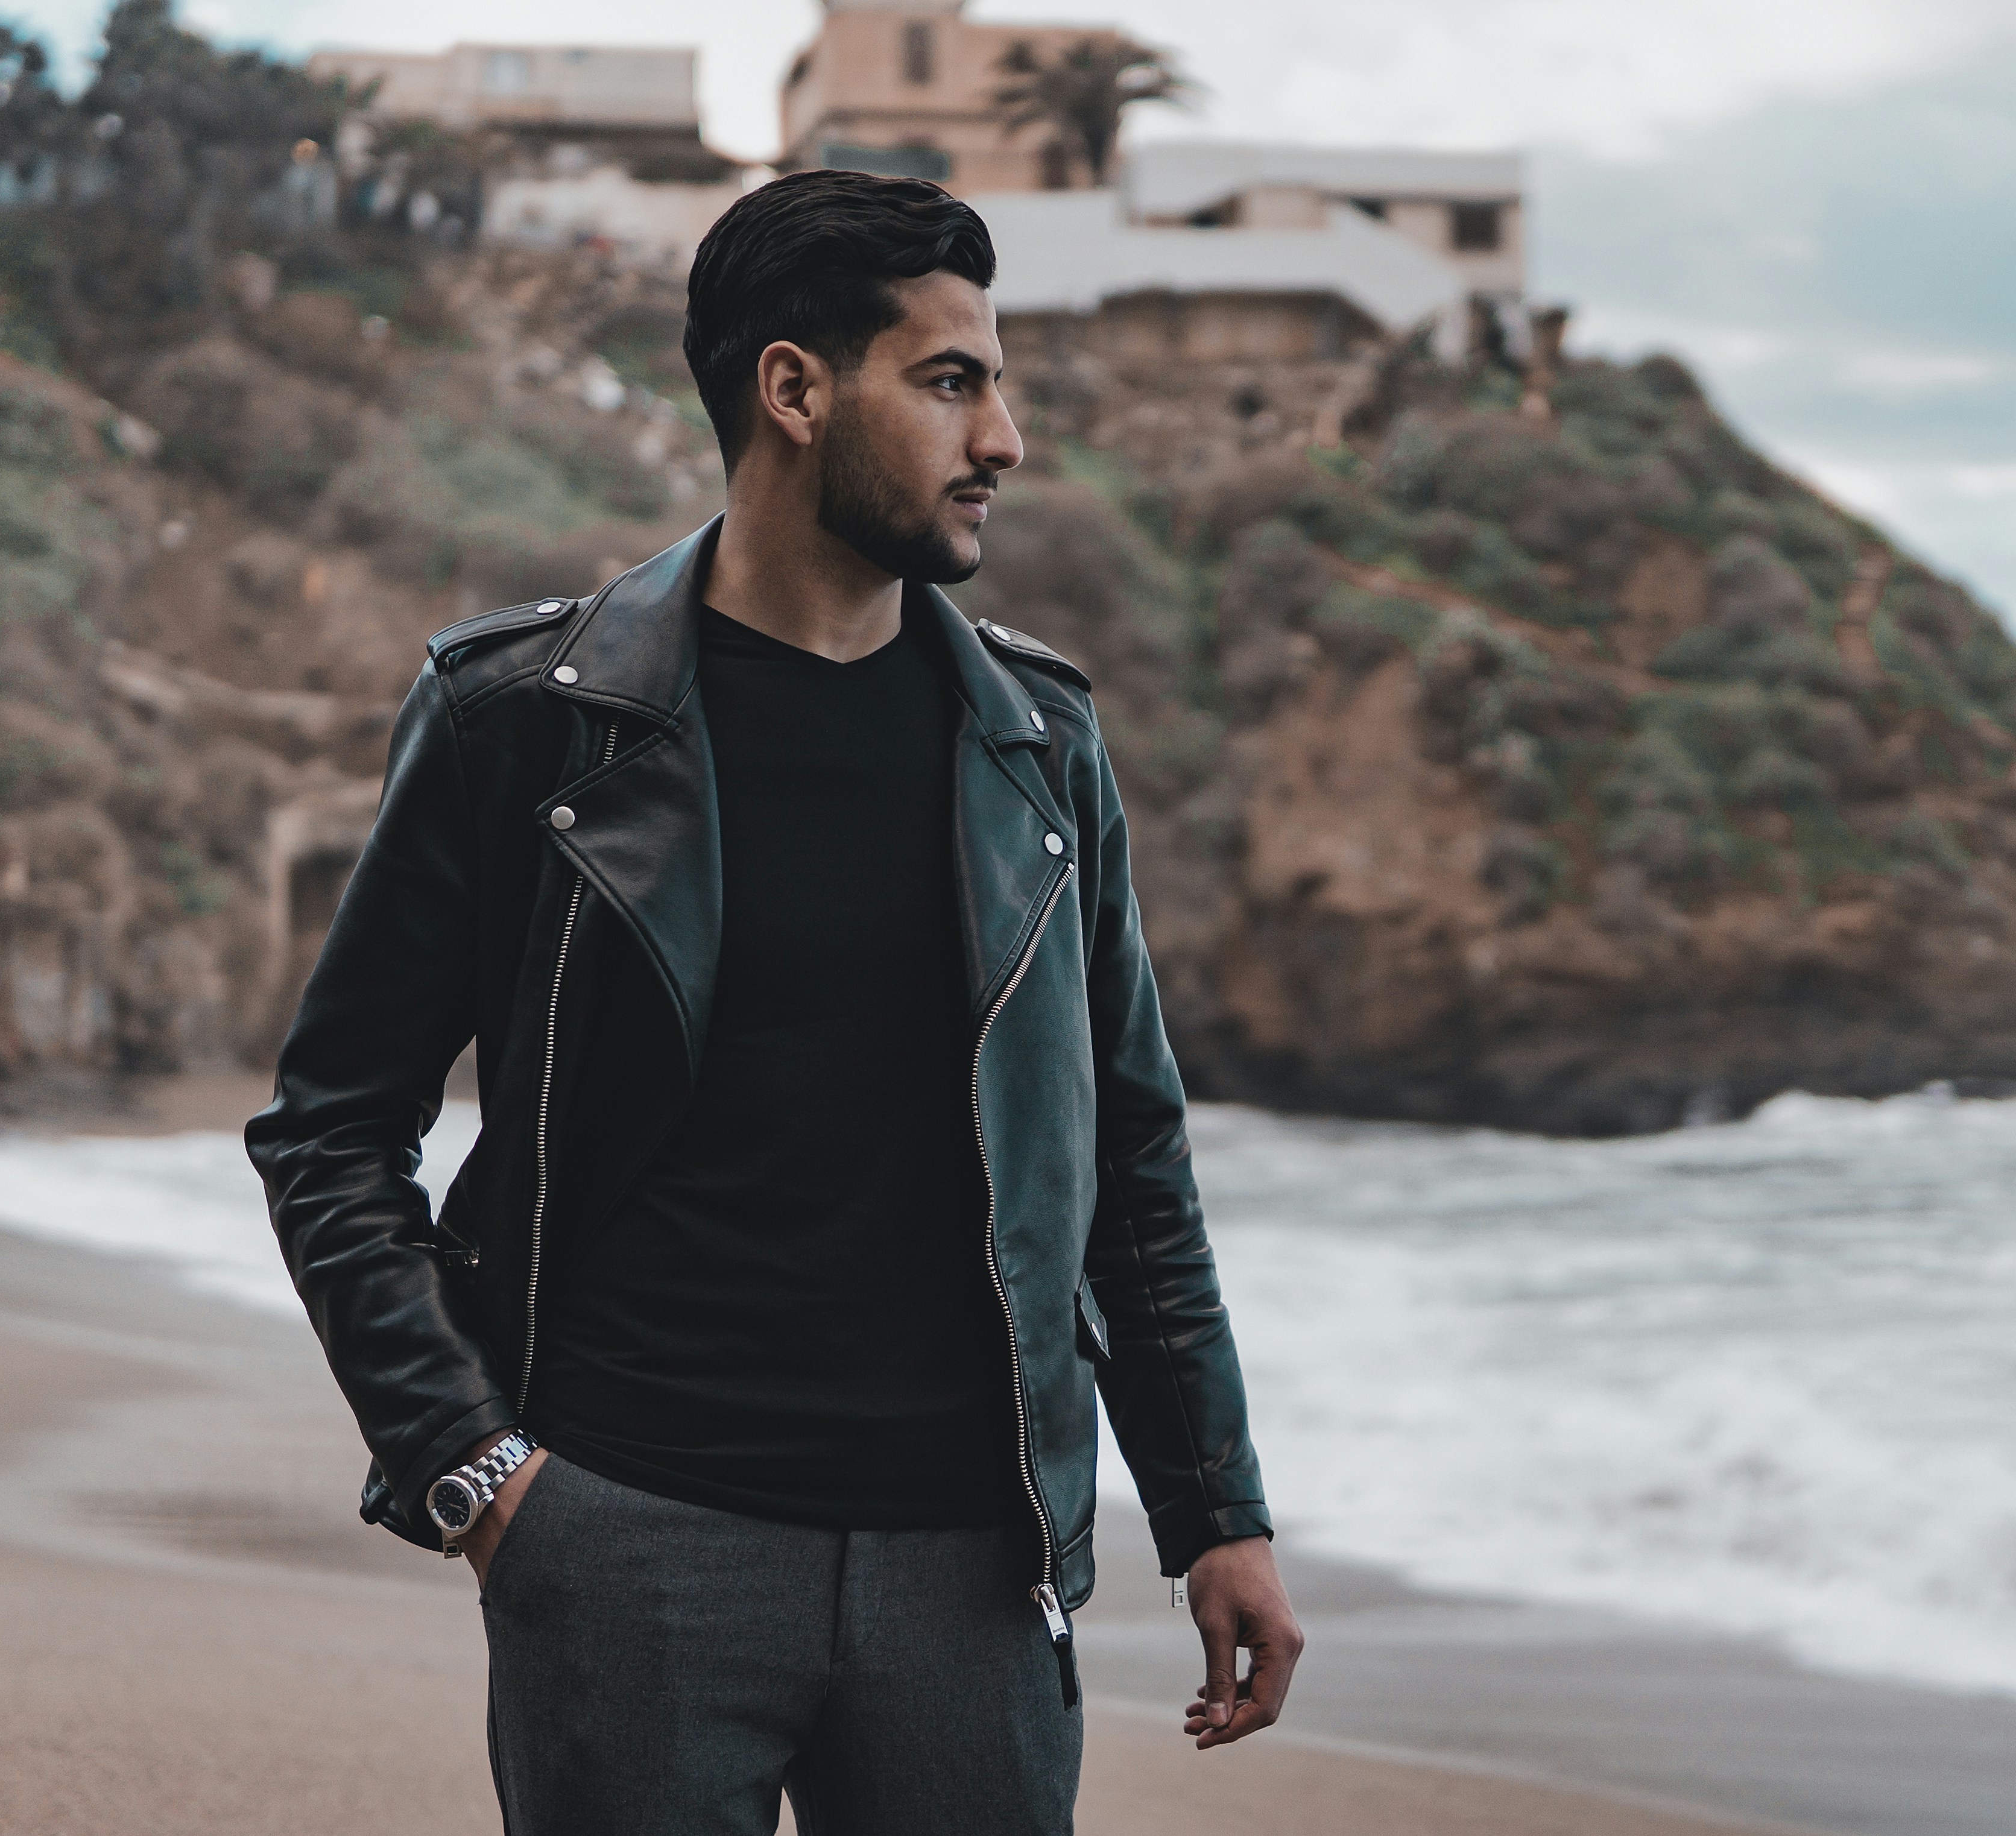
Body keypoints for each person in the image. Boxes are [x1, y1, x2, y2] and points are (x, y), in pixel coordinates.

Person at [248, 169, 1298, 1835]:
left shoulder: (1034, 749)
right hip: (631, 1536)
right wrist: (480, 1474)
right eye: (952, 381)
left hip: (973, 1562)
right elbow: (331, 1129)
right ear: (794, 391)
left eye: (996, 385)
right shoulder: (526, 724)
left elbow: (1128, 1163)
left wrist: (1213, 1513)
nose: (1003, 441)